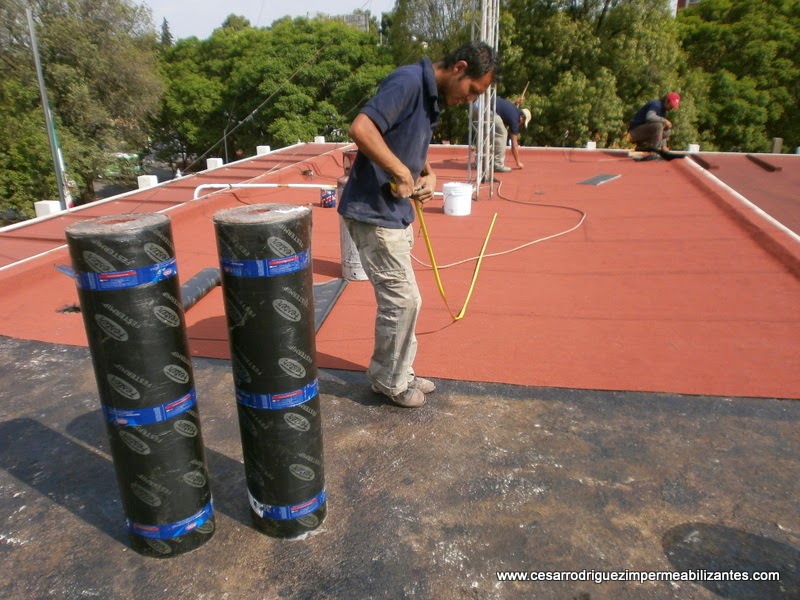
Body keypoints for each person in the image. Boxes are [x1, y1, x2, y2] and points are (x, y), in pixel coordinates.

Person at [338, 41, 497, 408]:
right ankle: (390, 381)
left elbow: (408, 140)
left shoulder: (430, 96)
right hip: (373, 211)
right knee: (403, 299)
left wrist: (428, 173)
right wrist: (397, 171)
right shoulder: (409, 82)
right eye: (472, 90)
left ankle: (399, 371)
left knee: (405, 300)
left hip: (394, 212)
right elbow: (362, 129)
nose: (471, 99)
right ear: (459, 68)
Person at [492, 96, 531, 171]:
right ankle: (498, 164)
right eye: (522, 123)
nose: (521, 125)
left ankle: (481, 161)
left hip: (482, 106)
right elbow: (514, 144)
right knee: (503, 133)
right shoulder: (515, 120)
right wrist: (518, 162)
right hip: (490, 111)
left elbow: (504, 107)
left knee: (489, 134)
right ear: (522, 117)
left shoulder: (513, 108)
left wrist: (515, 102)